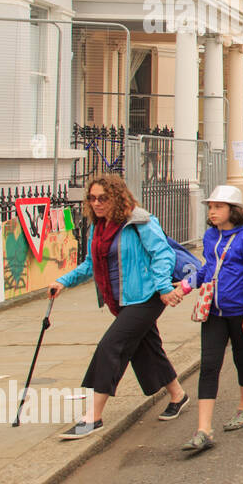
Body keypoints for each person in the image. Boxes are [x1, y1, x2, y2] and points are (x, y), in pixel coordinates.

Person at [48, 174, 190, 439]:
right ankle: (178, 395)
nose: (97, 203)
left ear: (117, 197)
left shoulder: (139, 221)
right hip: (121, 300)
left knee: (111, 346)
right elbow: (90, 265)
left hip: (146, 296)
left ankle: (93, 417)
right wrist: (62, 281)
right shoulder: (97, 228)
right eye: (92, 198)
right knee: (147, 348)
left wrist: (162, 288)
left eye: (103, 198)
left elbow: (163, 254)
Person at [181, 186, 243, 453]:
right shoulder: (210, 236)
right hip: (214, 313)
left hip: (240, 313)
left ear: (233, 210)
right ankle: (204, 429)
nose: (212, 211)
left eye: (218, 206)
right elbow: (209, 267)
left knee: (242, 359)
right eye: (211, 207)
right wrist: (185, 285)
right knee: (208, 365)